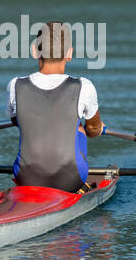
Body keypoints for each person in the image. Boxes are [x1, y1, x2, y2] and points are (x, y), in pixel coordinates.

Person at [7, 21, 103, 193]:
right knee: (79, 128)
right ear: (69, 53)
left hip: (26, 177)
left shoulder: (15, 85)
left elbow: (16, 121)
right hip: (70, 179)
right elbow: (94, 131)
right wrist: (94, 128)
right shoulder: (84, 86)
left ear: (35, 51)